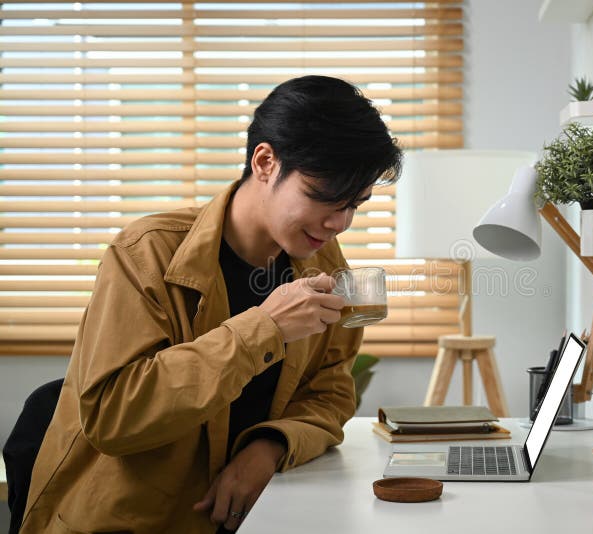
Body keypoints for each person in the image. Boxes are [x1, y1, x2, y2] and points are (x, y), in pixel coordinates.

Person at [18, 75, 402, 533]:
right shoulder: (145, 255)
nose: (340, 222)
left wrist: (270, 447)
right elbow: (112, 417)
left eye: (355, 204)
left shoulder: (320, 259)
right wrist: (264, 327)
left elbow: (330, 392)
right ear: (265, 162)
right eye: (324, 197)